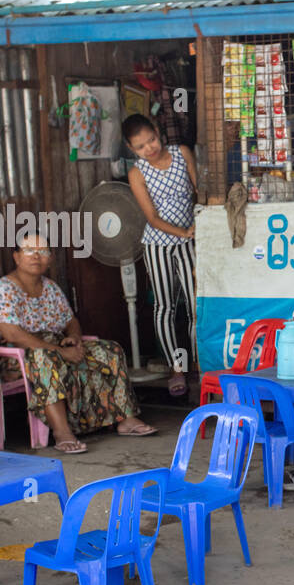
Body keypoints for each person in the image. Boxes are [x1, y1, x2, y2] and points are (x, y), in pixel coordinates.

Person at [0, 233, 157, 453]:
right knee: (42, 358)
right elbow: (12, 334)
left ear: (50, 258)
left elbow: (70, 321)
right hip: (14, 356)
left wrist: (74, 339)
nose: (36, 256)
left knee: (110, 350)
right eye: (29, 250)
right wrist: (59, 351)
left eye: (43, 251)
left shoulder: (51, 287)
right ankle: (62, 432)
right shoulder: (4, 289)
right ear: (17, 257)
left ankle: (127, 418)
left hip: (54, 346)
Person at [124, 113, 197, 398]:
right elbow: (152, 218)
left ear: (158, 132)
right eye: (141, 146)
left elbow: (198, 190)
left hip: (190, 239)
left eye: (151, 140)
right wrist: (184, 233)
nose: (149, 148)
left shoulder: (182, 153)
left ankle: (198, 365)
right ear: (132, 150)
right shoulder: (137, 173)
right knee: (165, 307)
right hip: (158, 244)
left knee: (195, 306)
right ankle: (176, 368)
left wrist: (199, 227)